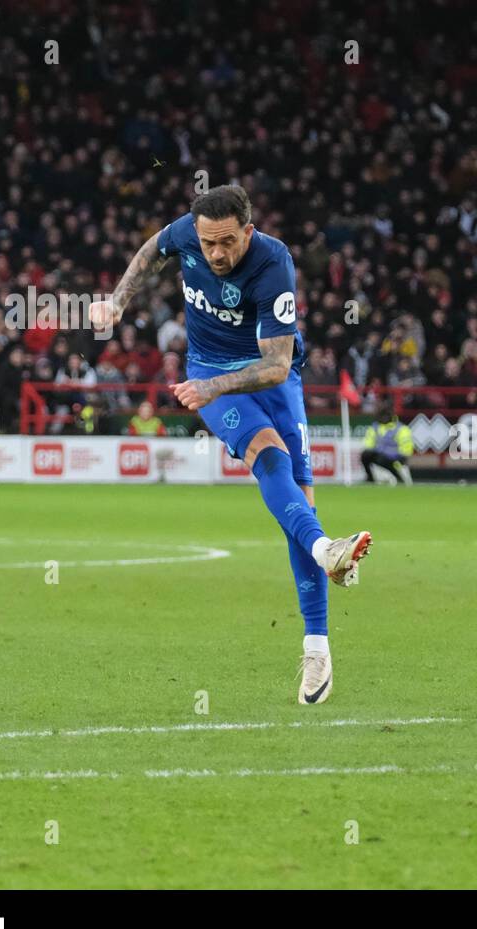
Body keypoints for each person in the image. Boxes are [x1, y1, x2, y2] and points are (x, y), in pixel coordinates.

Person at [89, 184, 371, 706]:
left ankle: (317, 644)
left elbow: (276, 365)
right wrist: (116, 302)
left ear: (248, 230)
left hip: (271, 378)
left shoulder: (274, 264)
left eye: (226, 243)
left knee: (298, 507)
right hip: (209, 373)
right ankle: (325, 554)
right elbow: (152, 250)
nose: (215, 254)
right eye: (207, 243)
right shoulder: (188, 234)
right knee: (269, 457)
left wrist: (212, 388)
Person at [361, 403, 414, 484]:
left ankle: (398, 477)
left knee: (381, 458)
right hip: (379, 463)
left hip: (396, 464)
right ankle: (370, 478)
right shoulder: (374, 428)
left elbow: (406, 452)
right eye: (381, 415)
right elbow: (368, 446)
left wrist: (395, 461)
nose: (383, 417)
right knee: (366, 455)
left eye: (385, 415)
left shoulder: (401, 429)